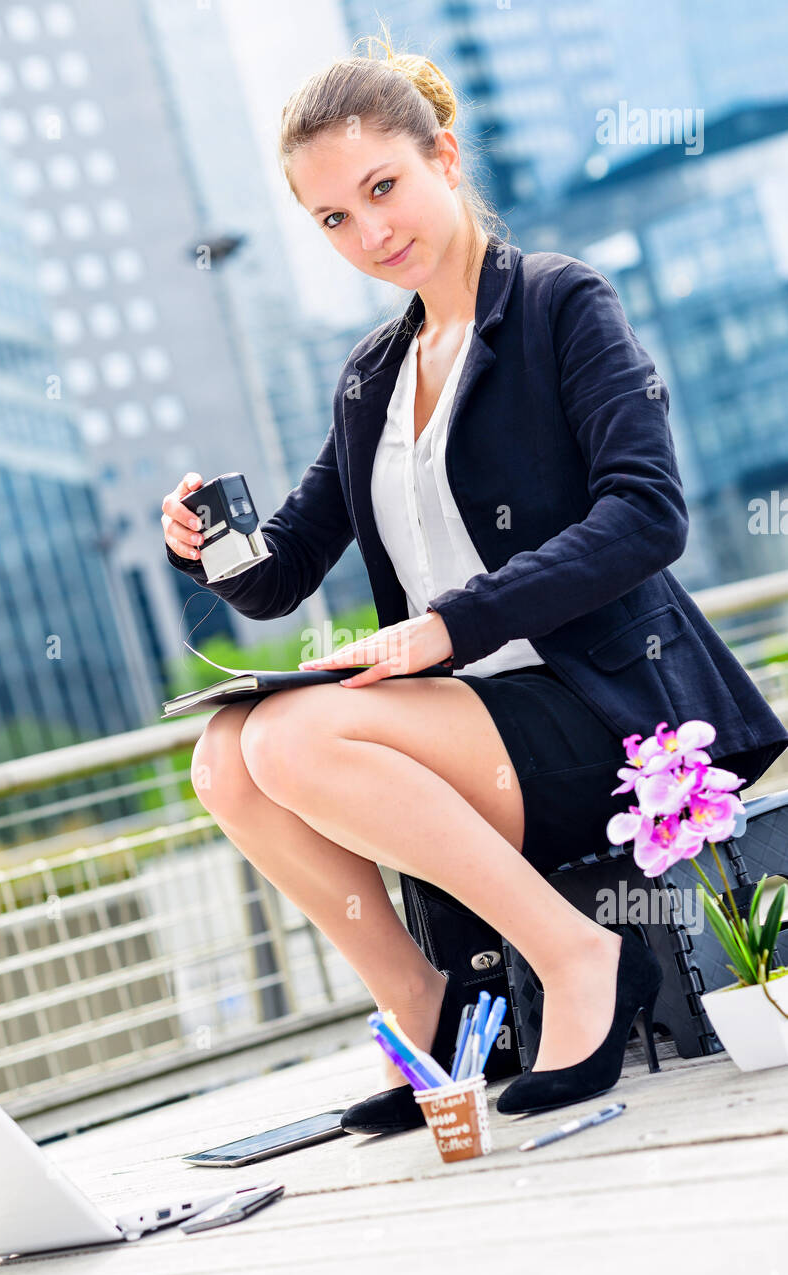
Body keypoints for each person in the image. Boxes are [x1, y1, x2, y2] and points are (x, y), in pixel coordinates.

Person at [161, 30, 788, 1128]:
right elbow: (283, 575)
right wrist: (206, 546)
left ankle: (577, 955)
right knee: (227, 755)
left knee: (294, 738)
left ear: (445, 156)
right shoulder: (372, 376)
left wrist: (448, 627)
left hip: (603, 704)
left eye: (383, 187)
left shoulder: (558, 302)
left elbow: (648, 514)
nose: (371, 233)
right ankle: (433, 1007)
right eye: (334, 219)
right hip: (467, 723)